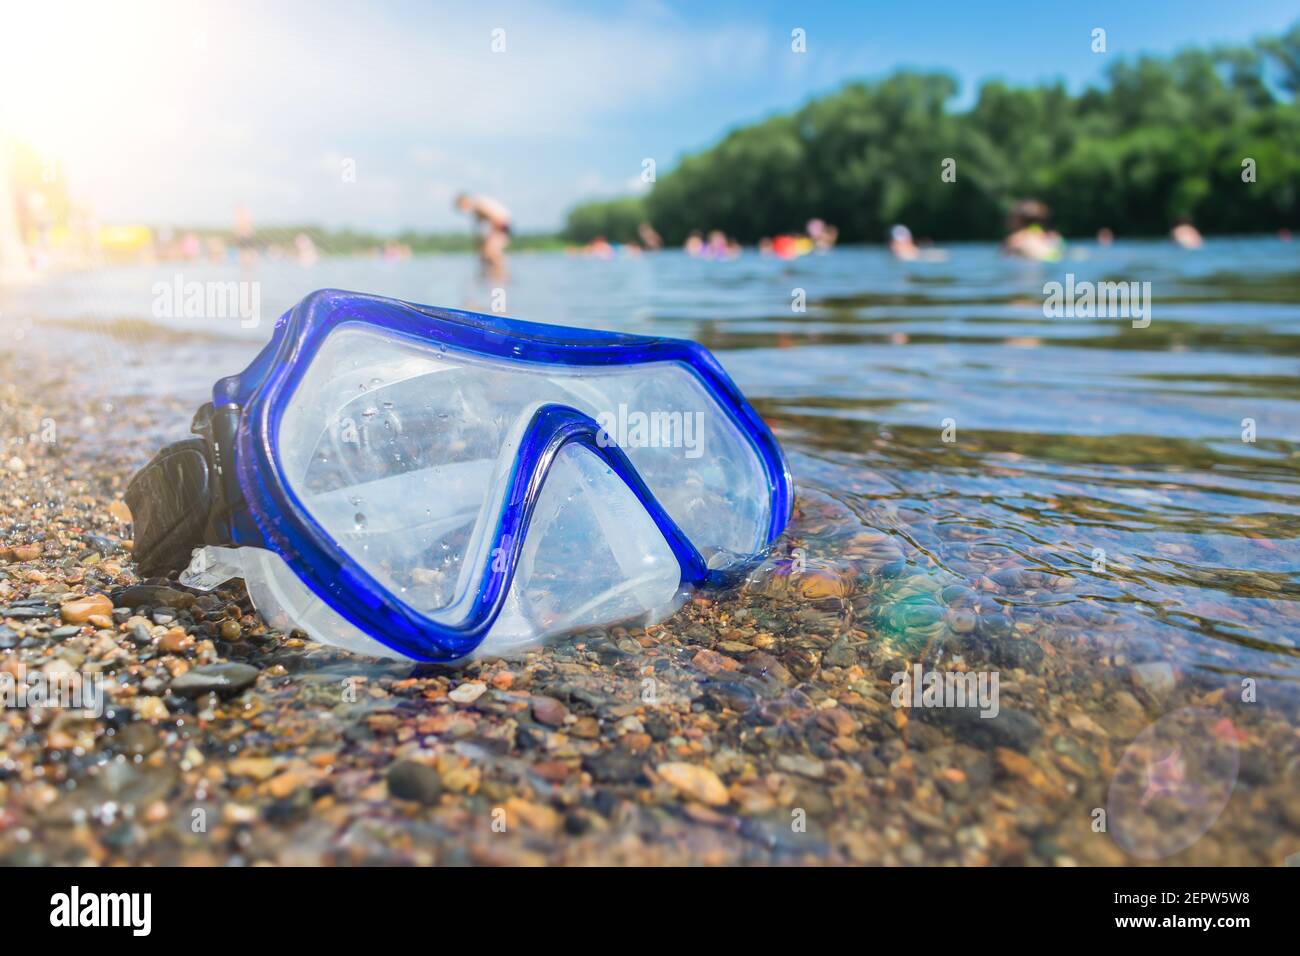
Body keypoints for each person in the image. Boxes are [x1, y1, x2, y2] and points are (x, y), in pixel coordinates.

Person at [455, 192, 512, 280]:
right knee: (486, 254)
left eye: (461, 207)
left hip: (502, 225)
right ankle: (495, 277)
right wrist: (479, 245)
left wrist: (489, 240)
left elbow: (496, 218)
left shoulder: (479, 205)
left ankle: (500, 278)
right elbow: (478, 231)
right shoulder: (475, 210)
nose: (463, 210)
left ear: (465, 202)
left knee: (490, 252)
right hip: (501, 226)